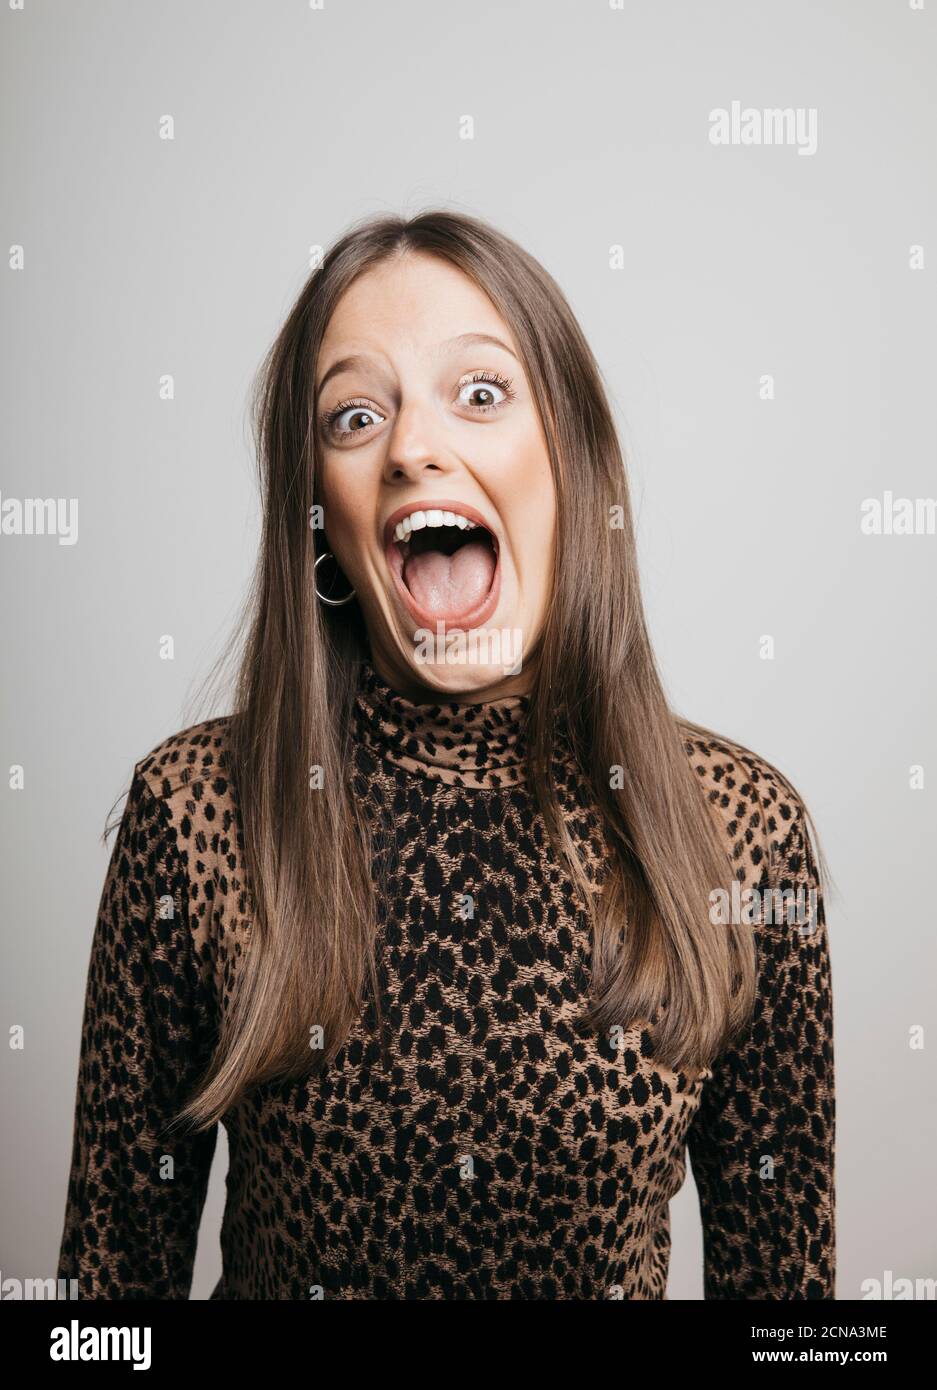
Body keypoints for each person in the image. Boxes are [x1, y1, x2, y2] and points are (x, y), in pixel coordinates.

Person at [56, 210, 835, 1300]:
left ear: (570, 456)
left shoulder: (740, 830)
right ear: (319, 513)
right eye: (356, 415)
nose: (414, 447)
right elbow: (104, 1308)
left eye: (478, 394)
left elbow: (791, 1317)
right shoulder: (194, 814)